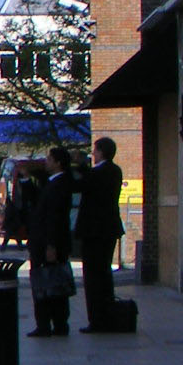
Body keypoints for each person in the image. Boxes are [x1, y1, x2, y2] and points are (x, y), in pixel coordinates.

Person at [25, 144, 76, 337]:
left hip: (48, 243)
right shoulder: (52, 183)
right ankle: (54, 322)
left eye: (49, 159)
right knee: (51, 282)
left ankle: (50, 323)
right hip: (44, 241)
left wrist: (51, 245)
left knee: (49, 282)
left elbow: (55, 217)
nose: (46, 162)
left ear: (58, 163)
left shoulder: (60, 185)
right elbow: (39, 203)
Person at [77, 134, 126, 331]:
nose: (93, 154)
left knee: (94, 275)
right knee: (104, 273)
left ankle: (97, 318)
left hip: (95, 231)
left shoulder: (98, 174)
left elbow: (86, 183)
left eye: (95, 150)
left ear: (102, 152)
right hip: (110, 228)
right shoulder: (115, 171)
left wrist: (80, 166)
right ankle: (106, 314)